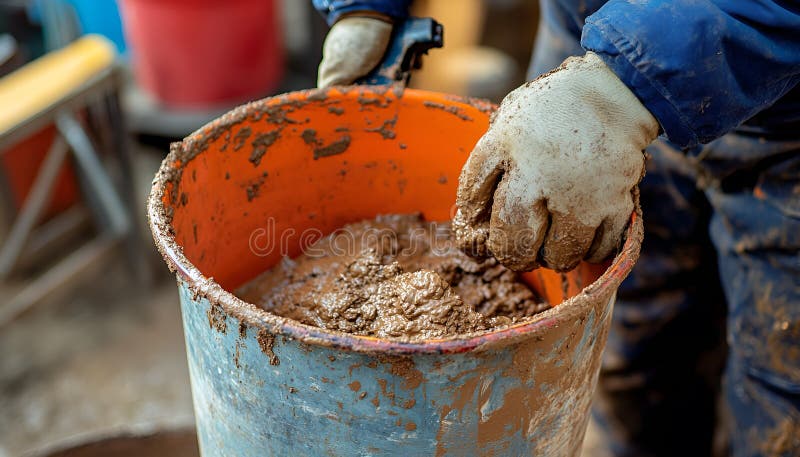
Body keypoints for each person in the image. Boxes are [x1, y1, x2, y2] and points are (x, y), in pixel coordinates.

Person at [312, 1, 800, 456]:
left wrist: (624, 85)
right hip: (586, 57)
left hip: (779, 112)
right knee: (628, 356)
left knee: (781, 402)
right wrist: (366, 6)